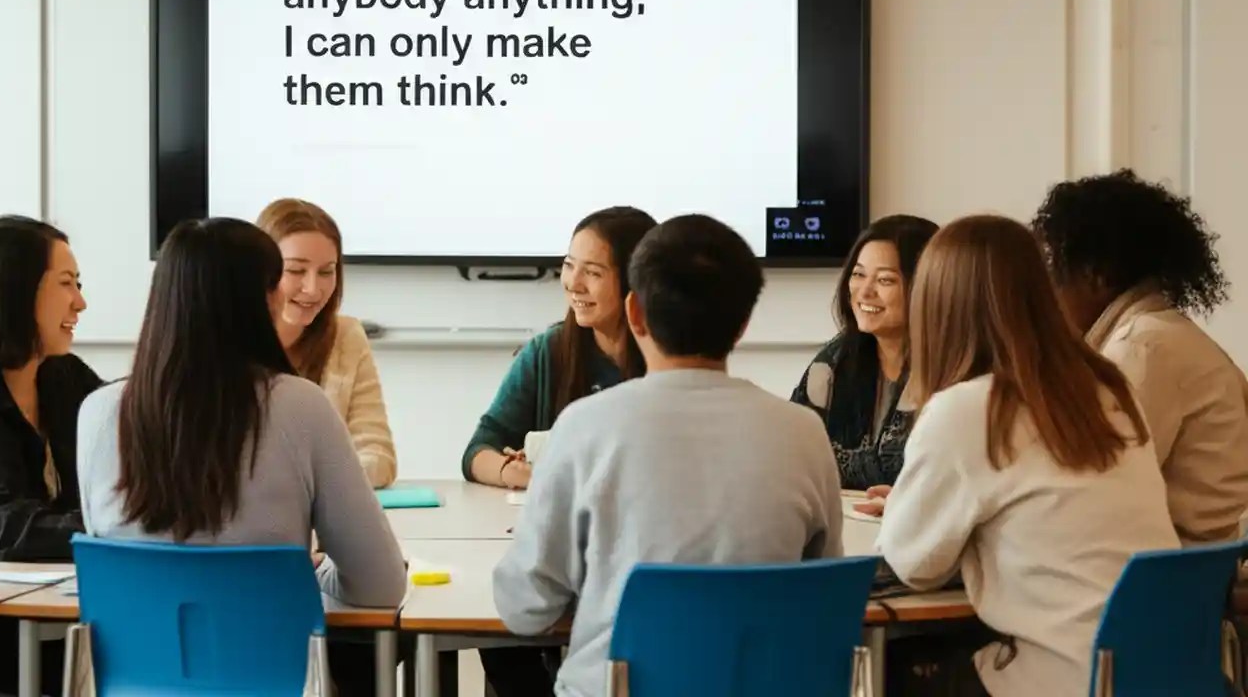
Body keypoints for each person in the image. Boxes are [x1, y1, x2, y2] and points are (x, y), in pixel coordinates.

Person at [494, 214, 844, 697]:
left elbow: (524, 607)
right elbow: (819, 592)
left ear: (634, 312)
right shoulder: (804, 432)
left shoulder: (584, 425)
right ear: (742, 325)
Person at [876, 214, 1180, 697]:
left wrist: (906, 505)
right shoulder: (1110, 390)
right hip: (1165, 670)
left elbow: (914, 563)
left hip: (1061, 677)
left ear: (937, 310)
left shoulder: (966, 409)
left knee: (897, 662)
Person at [77, 217, 405, 604]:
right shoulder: (301, 406)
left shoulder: (97, 412)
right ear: (259, 299)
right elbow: (381, 586)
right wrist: (311, 572)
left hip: (132, 663)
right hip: (274, 662)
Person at [1032, 169, 1248, 544]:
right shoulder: (1156, 335)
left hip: (1169, 572)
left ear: (1096, 275)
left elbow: (1100, 483)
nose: (1047, 295)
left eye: (1054, 275)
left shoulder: (1142, 348)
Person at [0, 215, 103, 694]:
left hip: (70, 625)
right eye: (66, 284)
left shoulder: (66, 377)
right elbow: (5, 528)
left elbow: (134, 459)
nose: (80, 301)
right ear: (15, 290)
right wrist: (114, 525)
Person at [462, 206, 657, 490]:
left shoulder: (668, 359)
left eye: (592, 272)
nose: (574, 284)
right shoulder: (545, 352)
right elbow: (478, 450)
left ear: (634, 282)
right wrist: (512, 472)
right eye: (569, 265)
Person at [790, 214, 938, 490]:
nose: (864, 292)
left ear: (926, 286)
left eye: (885, 280)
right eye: (858, 275)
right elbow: (792, 456)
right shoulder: (833, 363)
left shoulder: (954, 366)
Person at [257, 198, 397, 487]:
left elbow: (379, 458)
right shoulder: (221, 335)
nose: (313, 289)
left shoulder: (346, 337)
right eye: (296, 271)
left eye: (326, 271)